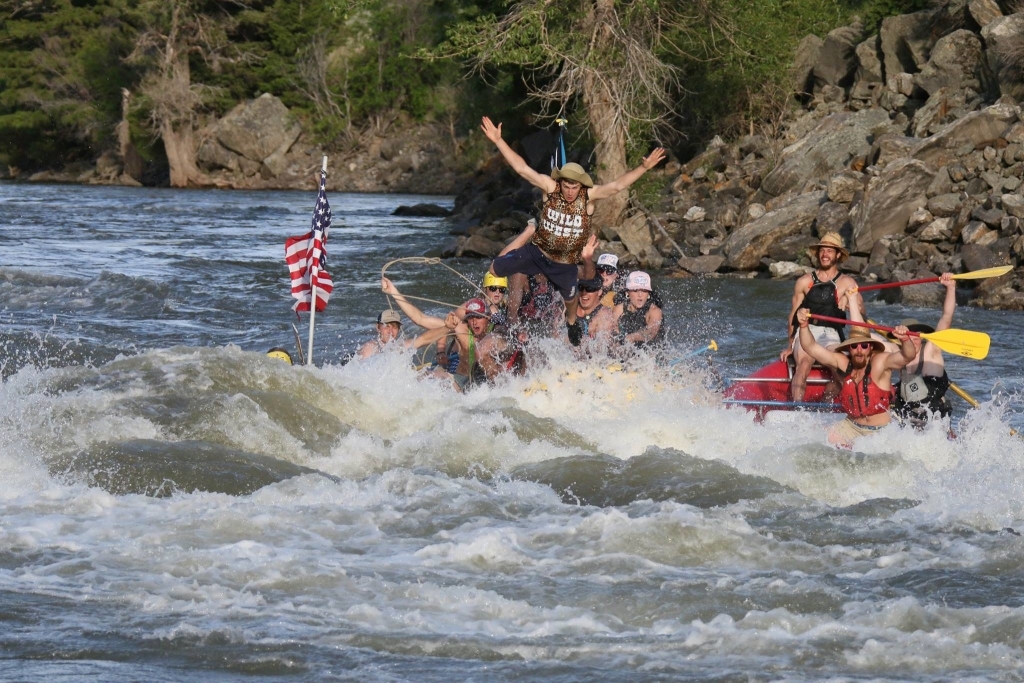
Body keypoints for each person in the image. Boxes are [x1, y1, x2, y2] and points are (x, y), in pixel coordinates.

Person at [480, 115, 666, 325]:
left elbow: (616, 186)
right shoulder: (550, 187)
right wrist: (498, 141)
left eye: (574, 187)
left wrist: (644, 168)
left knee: (570, 302)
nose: (570, 191)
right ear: (560, 182)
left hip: (564, 263)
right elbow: (522, 168)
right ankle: (508, 320)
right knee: (494, 270)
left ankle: (571, 323)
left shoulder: (589, 196)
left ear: (581, 185)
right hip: (537, 253)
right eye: (566, 186)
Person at [795, 308, 916, 448]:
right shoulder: (842, 362)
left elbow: (908, 356)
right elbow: (810, 347)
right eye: (854, 346)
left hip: (880, 430)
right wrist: (803, 325)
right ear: (849, 348)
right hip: (851, 425)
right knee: (822, 440)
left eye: (864, 346)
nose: (859, 350)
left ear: (870, 348)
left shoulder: (881, 362)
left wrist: (905, 339)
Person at [781, 232, 862, 402]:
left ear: (838, 255)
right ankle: (797, 408)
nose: (825, 254)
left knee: (841, 369)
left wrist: (850, 299)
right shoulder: (804, 281)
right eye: (822, 251)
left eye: (830, 251)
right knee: (803, 365)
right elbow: (793, 315)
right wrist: (790, 345)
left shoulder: (847, 283)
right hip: (806, 331)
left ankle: (827, 404)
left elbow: (861, 314)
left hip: (832, 335)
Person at [891, 273, 957, 428]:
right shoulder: (898, 356)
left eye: (915, 335)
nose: (912, 339)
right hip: (909, 422)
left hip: (933, 423)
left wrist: (951, 288)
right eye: (908, 336)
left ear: (921, 337)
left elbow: (946, 317)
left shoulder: (931, 350)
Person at [356, 309, 456, 359]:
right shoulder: (370, 348)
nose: (391, 331)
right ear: (378, 328)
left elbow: (423, 339)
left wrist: (447, 328)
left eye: (394, 327)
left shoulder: (399, 346)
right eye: (387, 326)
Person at [613, 271, 664, 349]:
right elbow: (613, 332)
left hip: (651, 352)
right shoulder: (619, 309)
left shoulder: (655, 311)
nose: (640, 295)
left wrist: (632, 337)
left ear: (648, 294)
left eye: (644, 291)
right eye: (635, 290)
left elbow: (651, 332)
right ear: (627, 293)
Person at [567, 276, 616, 348]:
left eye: (589, 288)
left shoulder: (604, 315)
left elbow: (602, 350)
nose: (584, 293)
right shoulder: (570, 309)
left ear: (599, 292)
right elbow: (555, 337)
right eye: (581, 287)